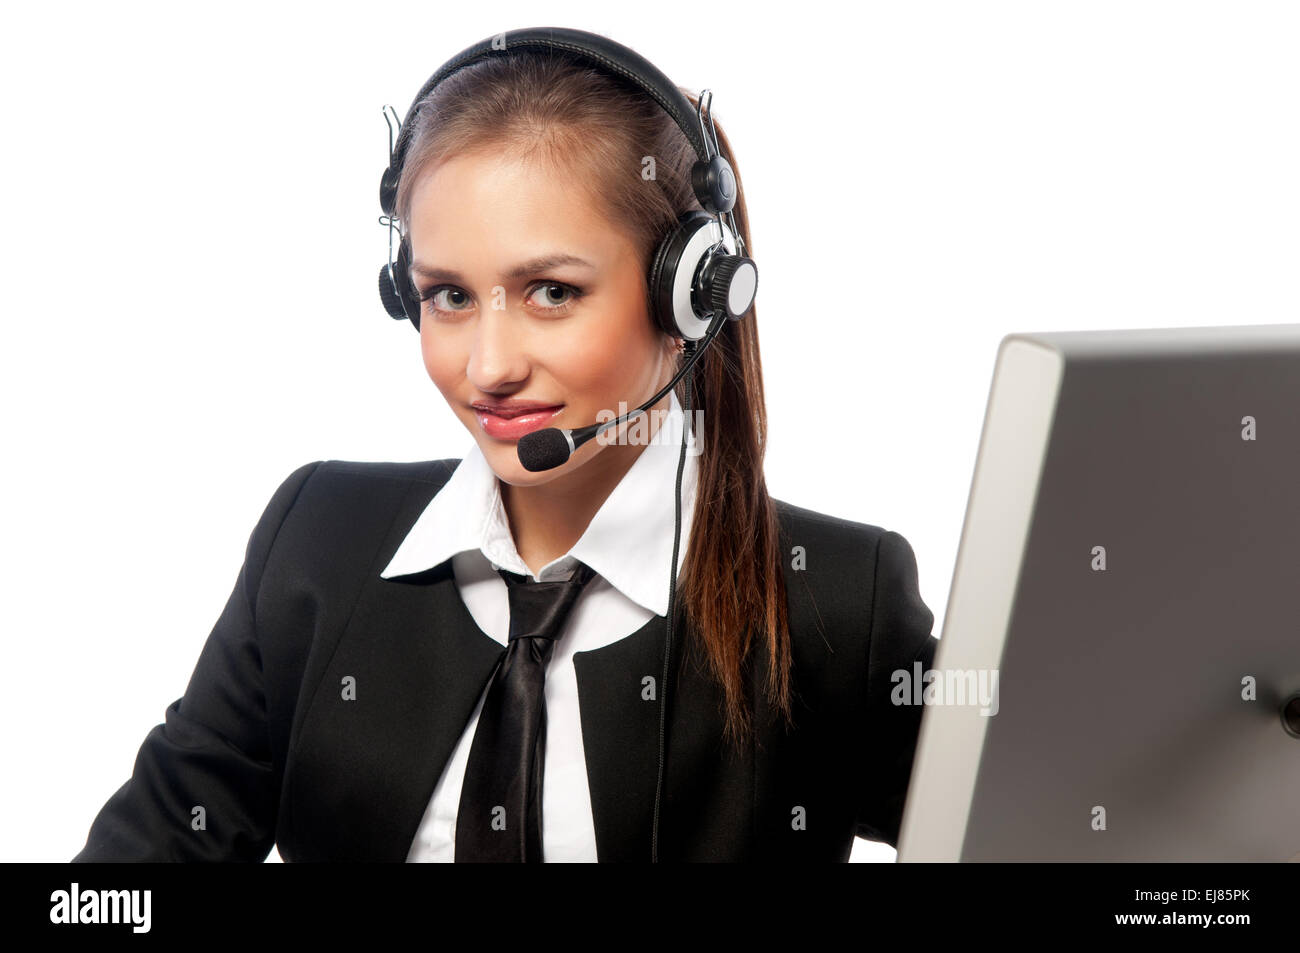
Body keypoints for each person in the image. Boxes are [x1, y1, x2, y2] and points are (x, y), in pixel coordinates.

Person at [72, 27, 939, 863]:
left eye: (551, 292)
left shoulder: (835, 604)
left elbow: (1045, 831)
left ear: (689, 298)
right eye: (447, 295)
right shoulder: (316, 546)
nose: (488, 367)